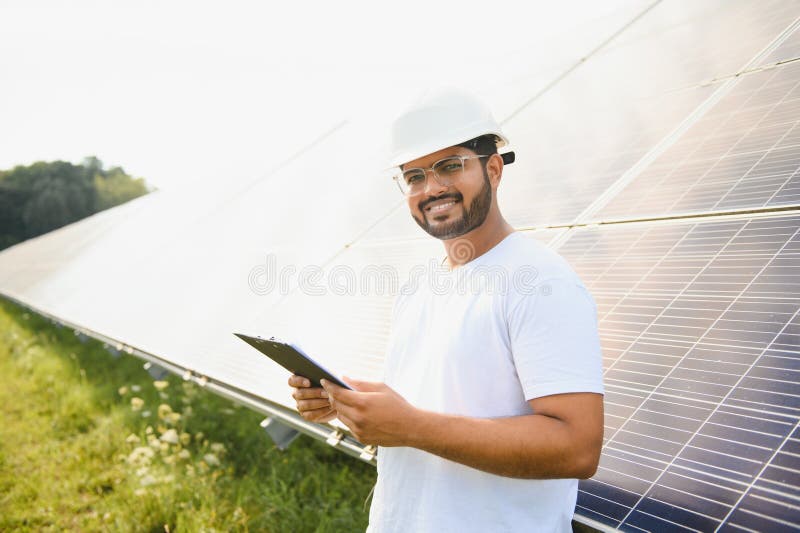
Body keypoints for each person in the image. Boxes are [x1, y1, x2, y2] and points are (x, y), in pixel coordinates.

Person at [288, 88, 604, 532]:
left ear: (493, 169)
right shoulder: (421, 284)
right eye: (413, 175)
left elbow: (577, 447)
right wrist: (347, 403)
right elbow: (435, 410)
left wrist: (410, 426)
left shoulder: (542, 282)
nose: (431, 188)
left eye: (450, 166)